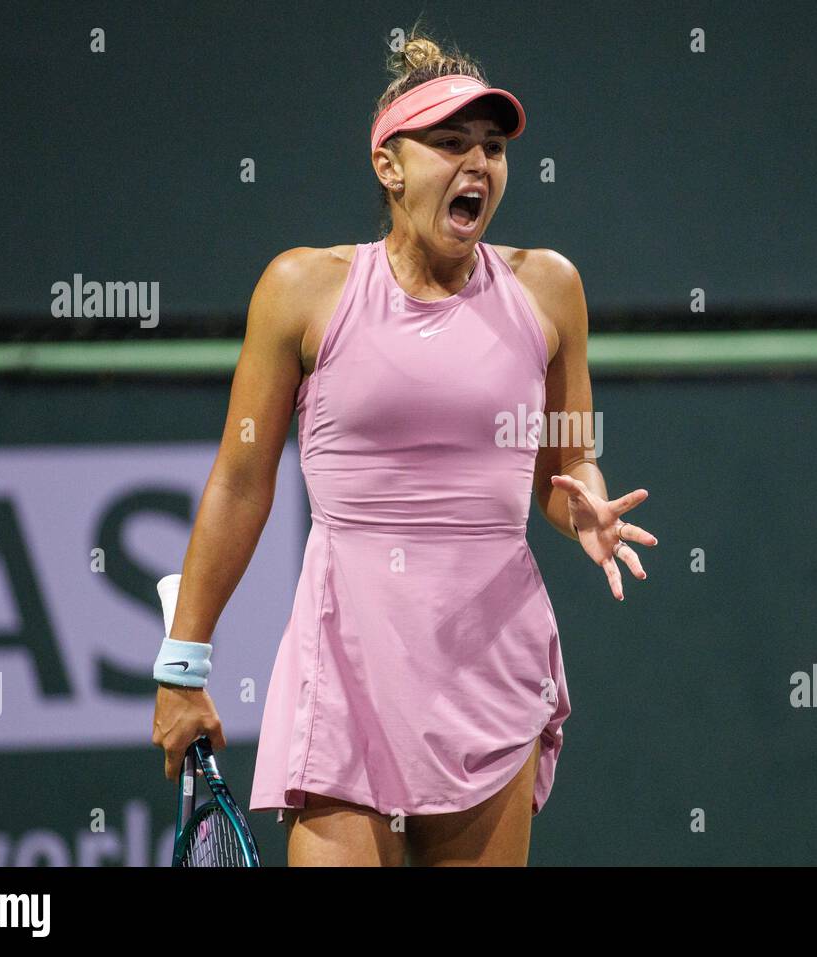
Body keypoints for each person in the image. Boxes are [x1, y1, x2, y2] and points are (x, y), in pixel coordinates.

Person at [151, 30, 656, 866]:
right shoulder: (302, 289)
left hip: (493, 670)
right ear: (389, 166)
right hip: (345, 668)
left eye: (492, 148)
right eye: (451, 144)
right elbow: (241, 482)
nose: (480, 165)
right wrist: (183, 662)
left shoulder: (550, 287)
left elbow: (567, 464)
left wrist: (582, 506)